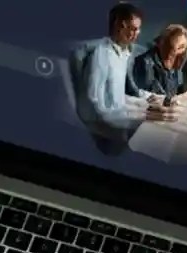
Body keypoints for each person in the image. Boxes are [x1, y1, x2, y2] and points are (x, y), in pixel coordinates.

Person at [73, 2, 173, 154]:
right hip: (107, 135)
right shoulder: (102, 55)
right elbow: (94, 109)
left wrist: (147, 103)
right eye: (132, 28)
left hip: (119, 122)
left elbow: (116, 97)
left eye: (138, 29)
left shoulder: (123, 54)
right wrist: (140, 118)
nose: (136, 34)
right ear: (118, 26)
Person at [130, 24, 187, 105]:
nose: (174, 53)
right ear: (161, 43)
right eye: (172, 47)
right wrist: (178, 99)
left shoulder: (176, 66)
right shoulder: (145, 62)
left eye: (181, 48)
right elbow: (155, 97)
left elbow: (181, 91)